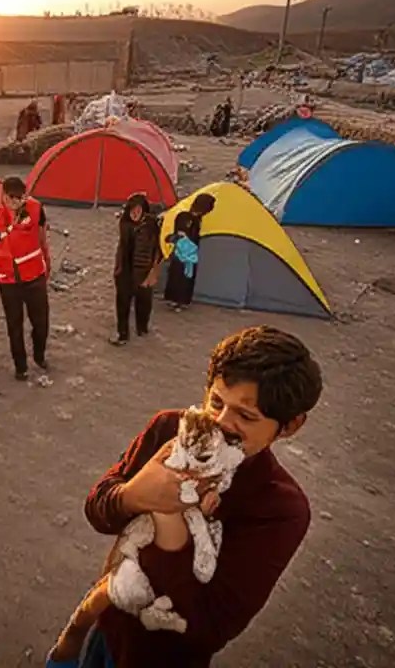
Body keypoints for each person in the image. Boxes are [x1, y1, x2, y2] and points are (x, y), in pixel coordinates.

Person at [66, 326, 322, 667]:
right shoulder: (168, 430)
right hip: (109, 624)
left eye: (246, 416)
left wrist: (168, 513)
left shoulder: (279, 508)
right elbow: (98, 511)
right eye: (216, 402)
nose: (220, 422)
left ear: (290, 426)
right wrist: (130, 496)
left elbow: (210, 626)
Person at [0, 176, 52, 380]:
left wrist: (47, 265)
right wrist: (13, 225)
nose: (14, 202)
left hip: (35, 277)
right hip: (9, 282)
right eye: (10, 197)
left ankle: (39, 356)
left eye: (18, 198)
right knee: (14, 326)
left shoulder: (36, 209)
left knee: (41, 323)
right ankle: (20, 366)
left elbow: (42, 237)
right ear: (3, 195)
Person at [111, 193, 161, 346]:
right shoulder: (124, 224)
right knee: (123, 304)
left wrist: (154, 272)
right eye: (133, 210)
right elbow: (122, 248)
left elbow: (158, 250)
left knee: (144, 302)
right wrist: (118, 269)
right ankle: (123, 334)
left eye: (138, 210)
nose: (135, 214)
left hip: (144, 271)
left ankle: (142, 327)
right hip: (125, 271)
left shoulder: (152, 226)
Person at [163, 193, 216, 312]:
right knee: (182, 276)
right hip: (185, 252)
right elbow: (183, 234)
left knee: (181, 275)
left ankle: (177, 300)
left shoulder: (191, 218)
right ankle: (178, 300)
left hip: (185, 251)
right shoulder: (188, 218)